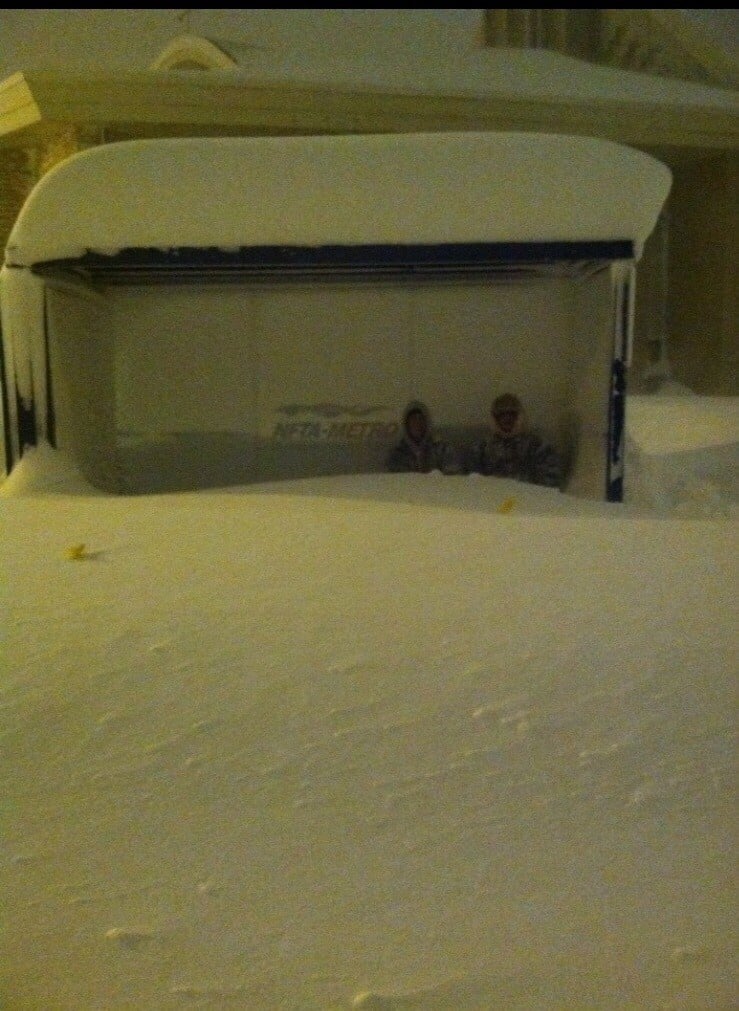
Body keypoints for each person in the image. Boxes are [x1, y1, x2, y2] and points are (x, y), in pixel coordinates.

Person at [467, 393, 561, 487]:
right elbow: (470, 481)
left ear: (521, 417)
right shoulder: (481, 448)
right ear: (493, 418)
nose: (506, 420)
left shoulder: (539, 448)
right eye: (500, 415)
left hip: (526, 498)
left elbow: (549, 483)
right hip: (490, 498)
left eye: (512, 415)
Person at [386, 400, 460, 474]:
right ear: (406, 424)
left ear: (427, 423)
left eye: (421, 419)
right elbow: (395, 480)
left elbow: (453, 473)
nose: (417, 423)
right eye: (413, 419)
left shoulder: (442, 449)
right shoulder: (397, 455)